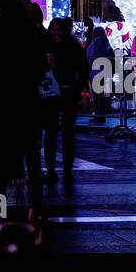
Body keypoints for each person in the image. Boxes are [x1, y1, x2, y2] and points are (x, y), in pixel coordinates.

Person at [0, 0, 46, 214]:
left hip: (0, 106)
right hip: (28, 103)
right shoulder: (32, 31)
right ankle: (36, 209)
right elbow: (42, 67)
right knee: (32, 162)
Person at [45, 18, 88, 181]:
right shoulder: (46, 47)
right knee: (51, 131)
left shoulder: (73, 47)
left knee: (67, 132)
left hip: (68, 92)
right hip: (50, 94)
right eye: (53, 30)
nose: (56, 33)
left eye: (59, 30)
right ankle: (51, 170)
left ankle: (67, 169)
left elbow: (83, 69)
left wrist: (77, 88)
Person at [85, 25, 113, 121]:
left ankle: (98, 115)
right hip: (105, 71)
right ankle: (102, 113)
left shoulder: (94, 44)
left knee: (97, 96)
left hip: (95, 72)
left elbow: (90, 56)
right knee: (102, 95)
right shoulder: (106, 43)